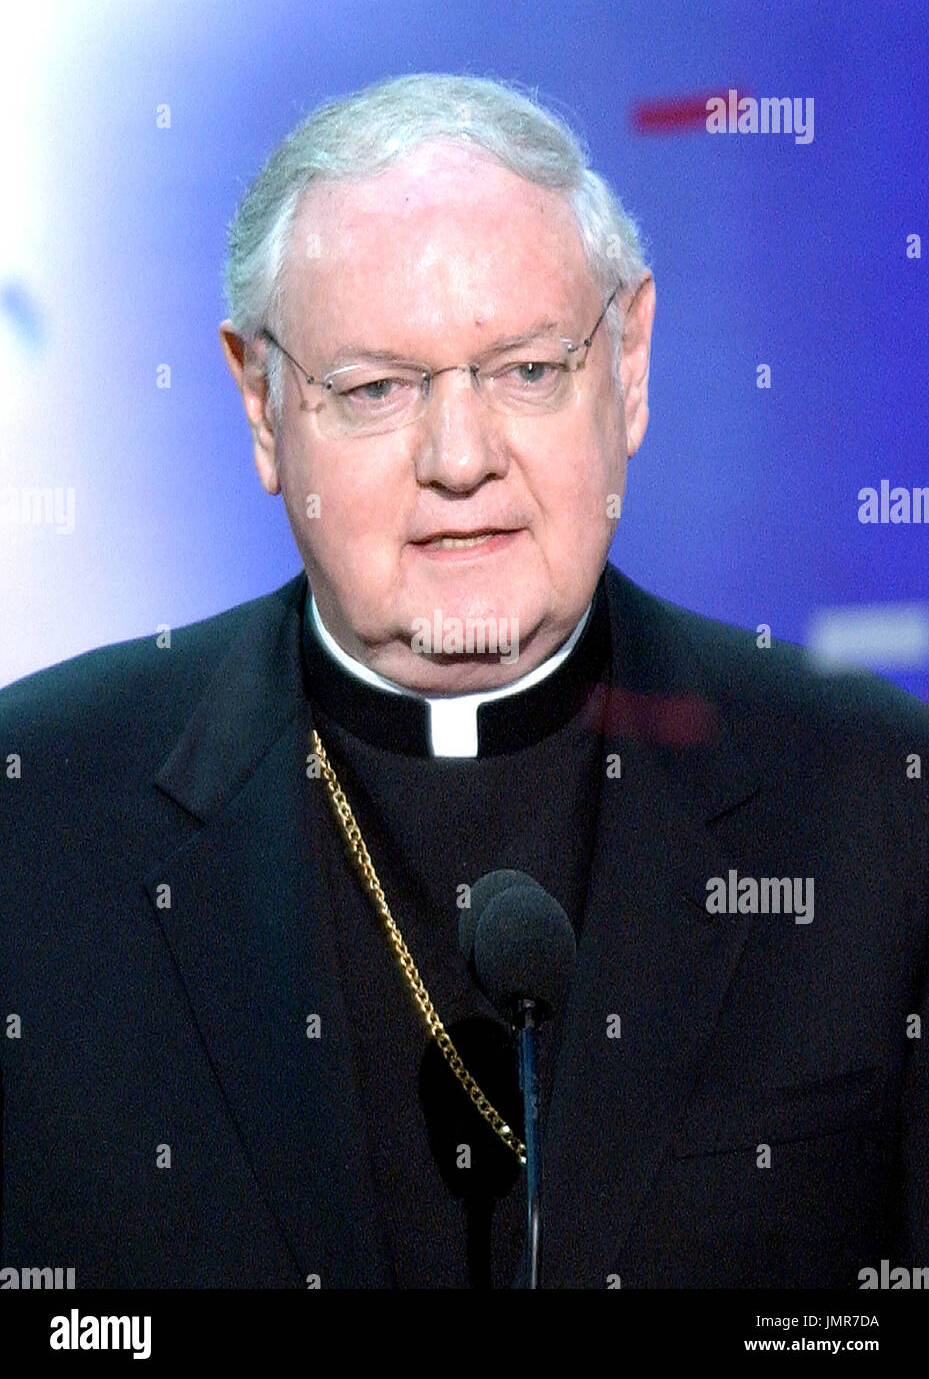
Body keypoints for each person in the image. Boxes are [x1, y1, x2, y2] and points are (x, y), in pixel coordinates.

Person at [1, 73, 927, 1291]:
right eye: (376, 389)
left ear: (630, 362)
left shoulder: (869, 797)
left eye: (527, 370)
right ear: (262, 406)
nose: (459, 459)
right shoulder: (40, 814)